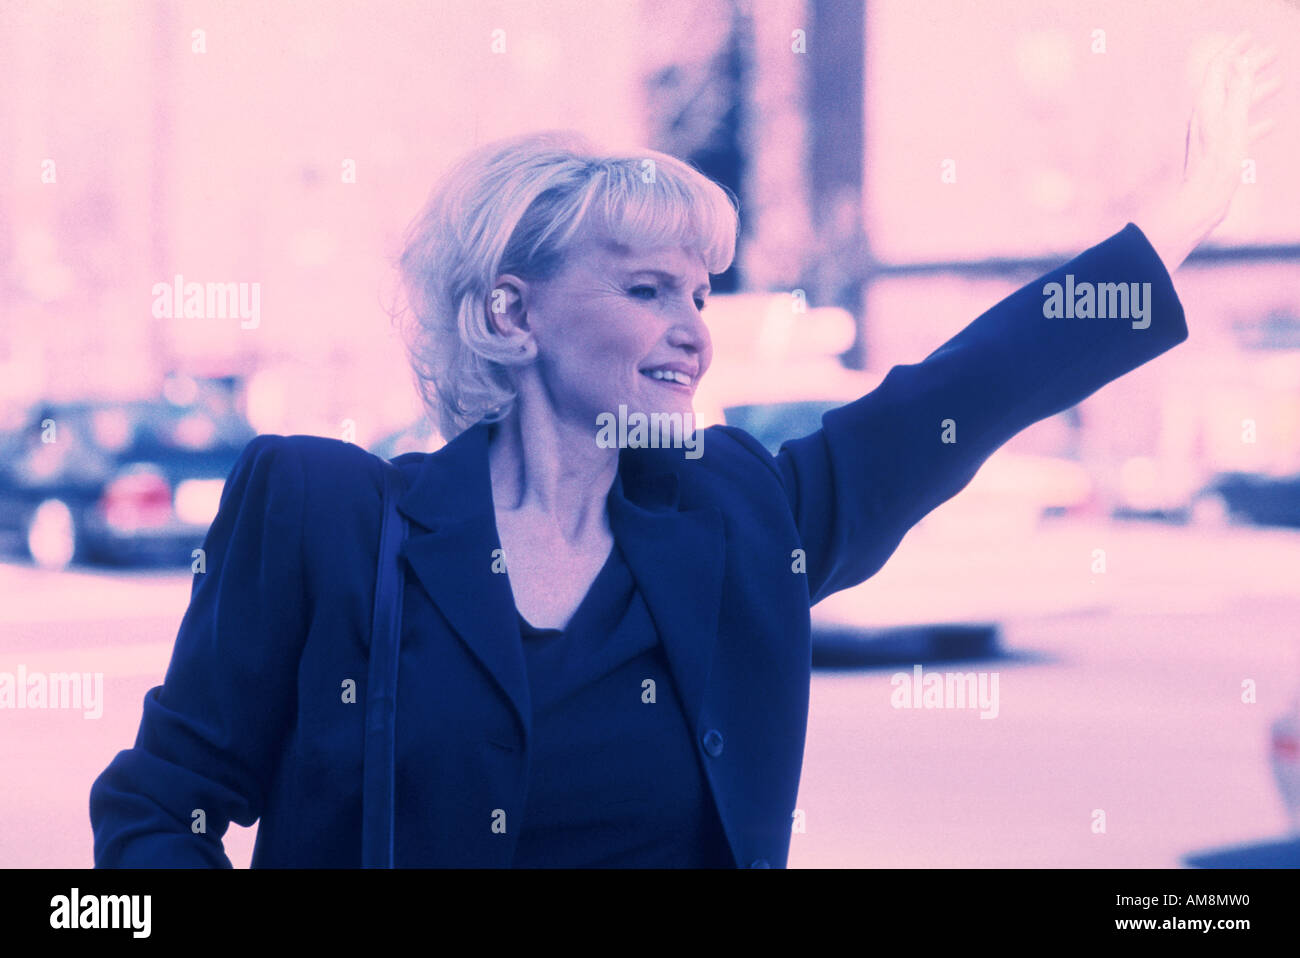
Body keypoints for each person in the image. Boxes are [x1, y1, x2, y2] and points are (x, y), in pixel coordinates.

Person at [90, 34, 1278, 868]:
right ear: (513, 314)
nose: (693, 331)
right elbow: (157, 809)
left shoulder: (738, 521)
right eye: (650, 288)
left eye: (702, 293)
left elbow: (956, 396)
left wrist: (1185, 213)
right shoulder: (326, 513)